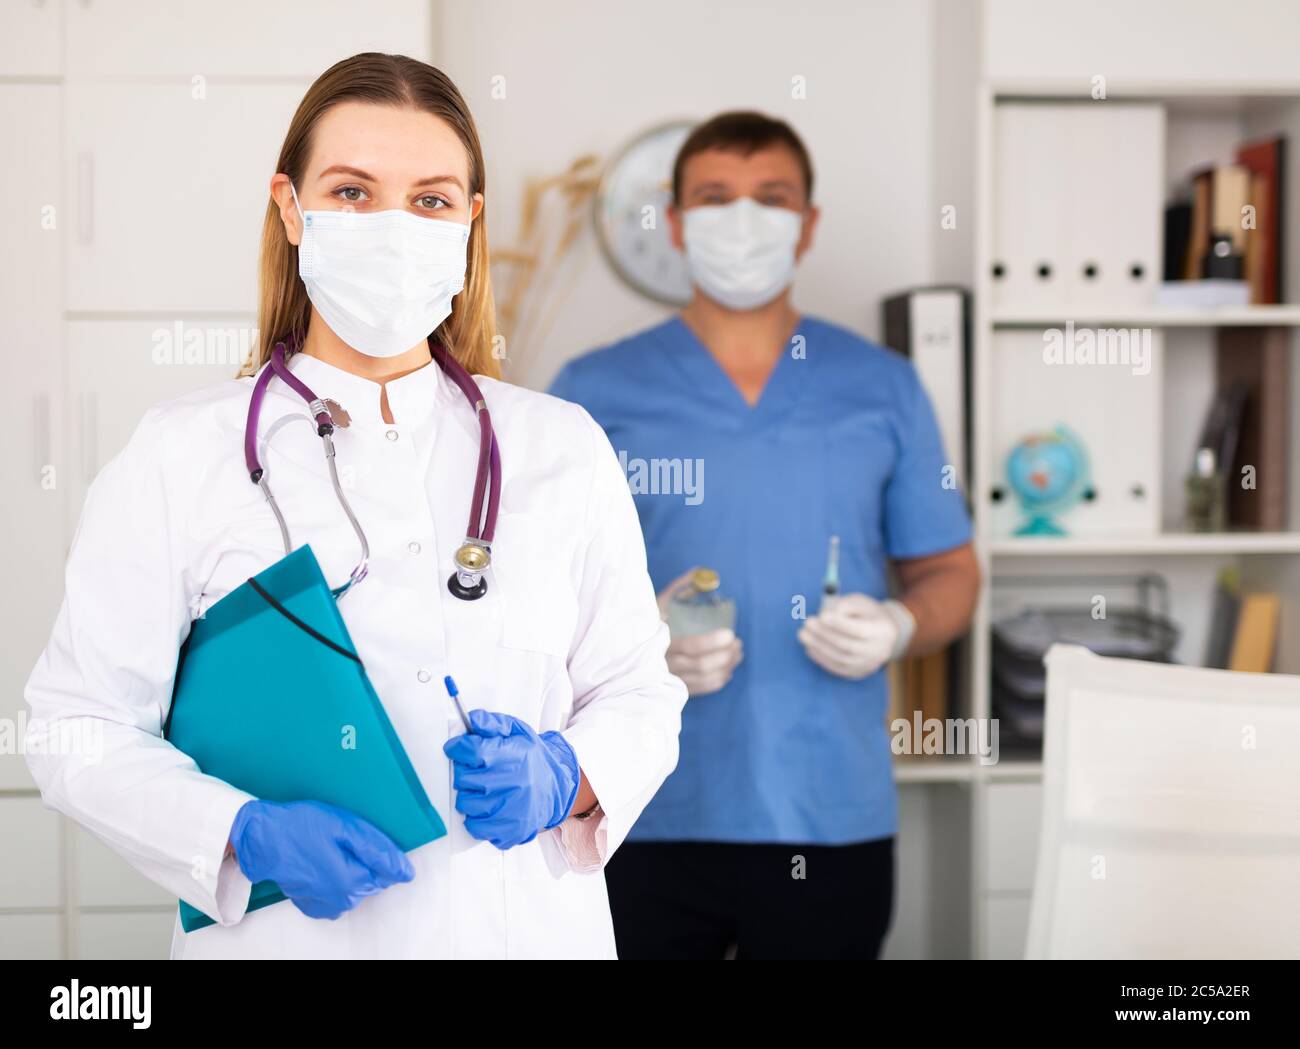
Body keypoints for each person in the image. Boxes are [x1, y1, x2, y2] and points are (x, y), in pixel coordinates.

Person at [23, 53, 686, 960]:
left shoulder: (559, 446)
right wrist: (240, 830)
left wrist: (568, 774)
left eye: (430, 200)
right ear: (291, 207)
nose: (393, 227)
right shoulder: (182, 453)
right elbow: (74, 724)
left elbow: (641, 693)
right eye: (351, 192)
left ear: (468, 223)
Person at [549, 111, 980, 960]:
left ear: (808, 223)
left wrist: (898, 624)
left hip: (829, 813)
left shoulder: (883, 387)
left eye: (770, 196)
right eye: (715, 197)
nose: (742, 217)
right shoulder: (593, 391)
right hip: (638, 804)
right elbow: (535, 604)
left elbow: (951, 571)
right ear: (674, 222)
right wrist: (640, 648)